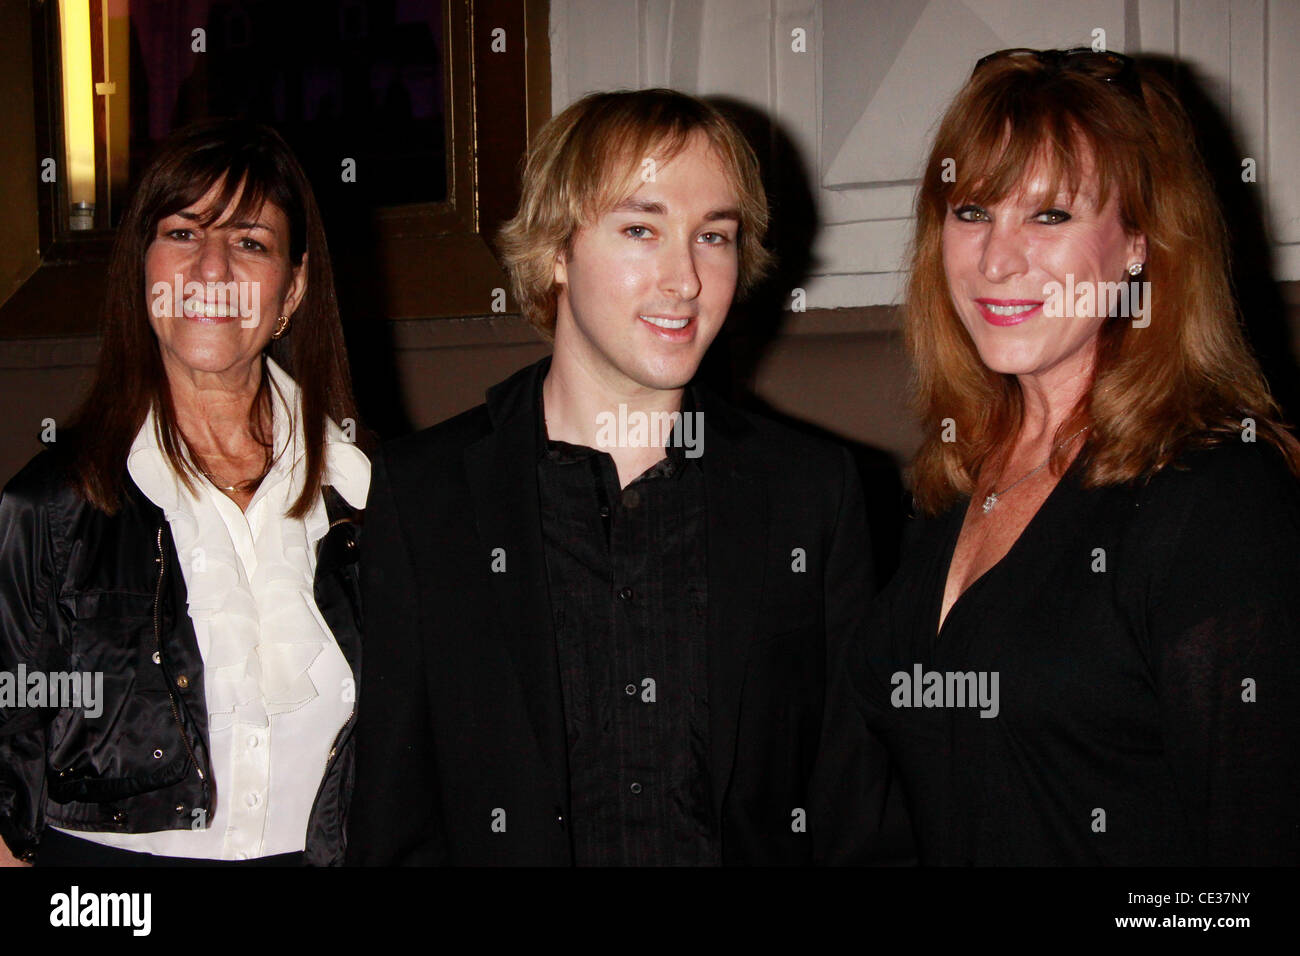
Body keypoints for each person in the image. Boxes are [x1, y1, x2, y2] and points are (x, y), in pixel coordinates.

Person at [348, 88, 889, 865]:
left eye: (715, 236)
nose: (685, 279)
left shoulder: (813, 492)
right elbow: (394, 822)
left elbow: (853, 805)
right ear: (557, 249)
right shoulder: (425, 496)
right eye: (641, 229)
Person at [850, 48, 1300, 864]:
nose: (997, 259)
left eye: (1050, 216)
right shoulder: (951, 480)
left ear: (1140, 243)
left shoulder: (1216, 494)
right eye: (974, 210)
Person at [0, 119, 370, 866]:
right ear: (143, 267)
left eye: (250, 242)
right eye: (182, 233)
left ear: (292, 291)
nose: (210, 268)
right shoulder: (48, 510)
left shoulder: (370, 501)